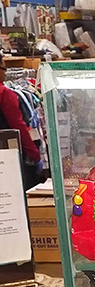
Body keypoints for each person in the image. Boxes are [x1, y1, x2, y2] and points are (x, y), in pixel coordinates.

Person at [0, 54, 42, 188]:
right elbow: (18, 128)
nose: (5, 73)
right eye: (4, 69)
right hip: (7, 159)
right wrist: (35, 155)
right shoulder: (4, 94)